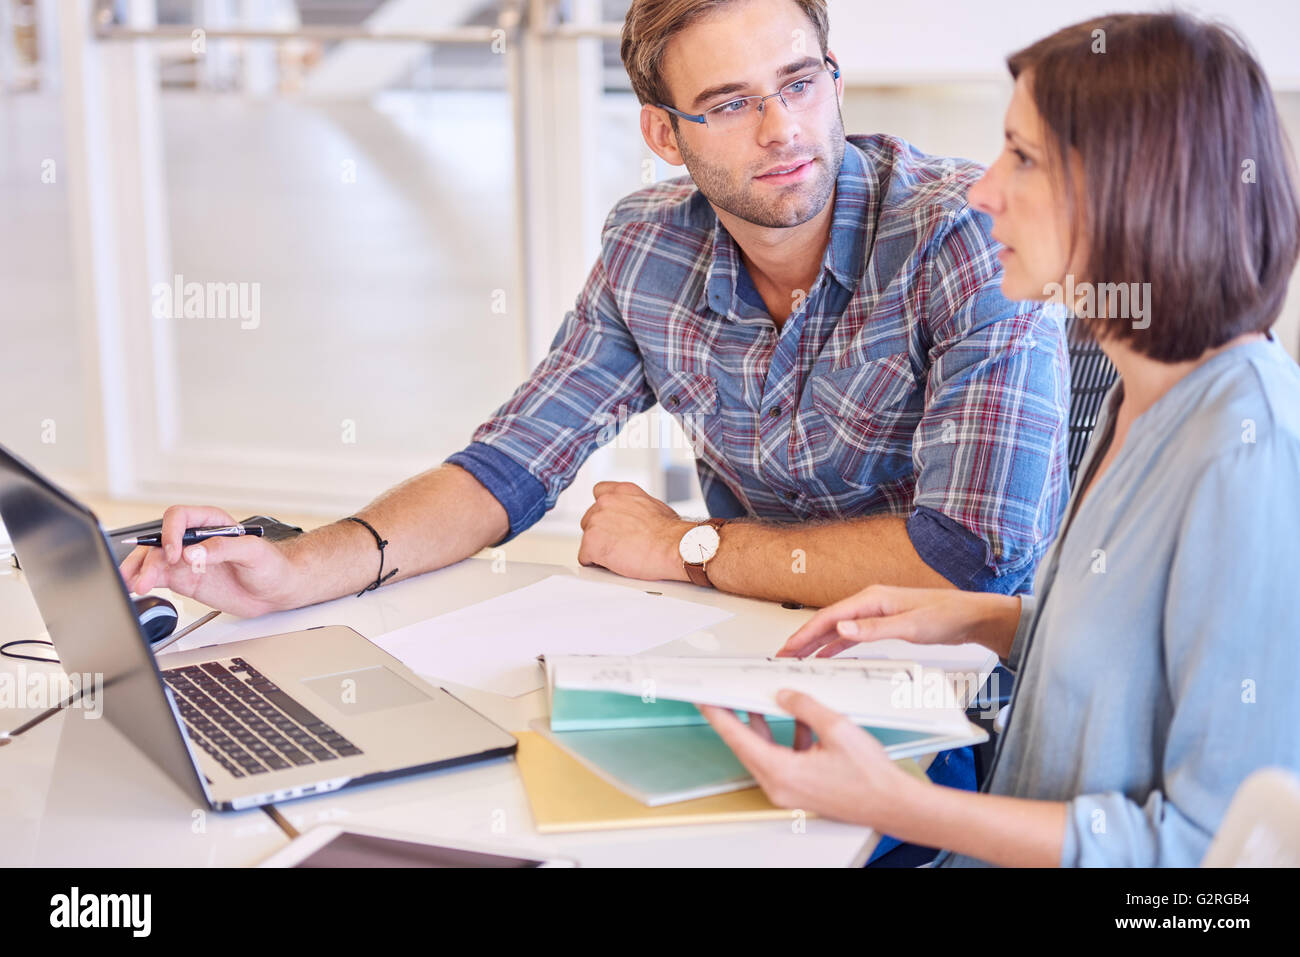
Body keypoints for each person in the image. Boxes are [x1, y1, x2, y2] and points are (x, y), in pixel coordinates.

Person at [119, 0, 1070, 858]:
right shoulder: (650, 244)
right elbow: (509, 465)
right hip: (747, 664)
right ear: (664, 132)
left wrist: (687, 546)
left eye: (799, 82)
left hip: (945, 707)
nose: (785, 130)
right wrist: (302, 566)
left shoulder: (962, 234)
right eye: (732, 103)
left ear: (835, 78)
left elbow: (966, 558)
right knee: (456, 789)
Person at [701, 10, 1300, 867]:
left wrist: (899, 803)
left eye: (1023, 157)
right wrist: (982, 618)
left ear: (1134, 185)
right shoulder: (1140, 391)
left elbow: (1207, 861)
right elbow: (1145, 657)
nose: (983, 190)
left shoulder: (1252, 452)